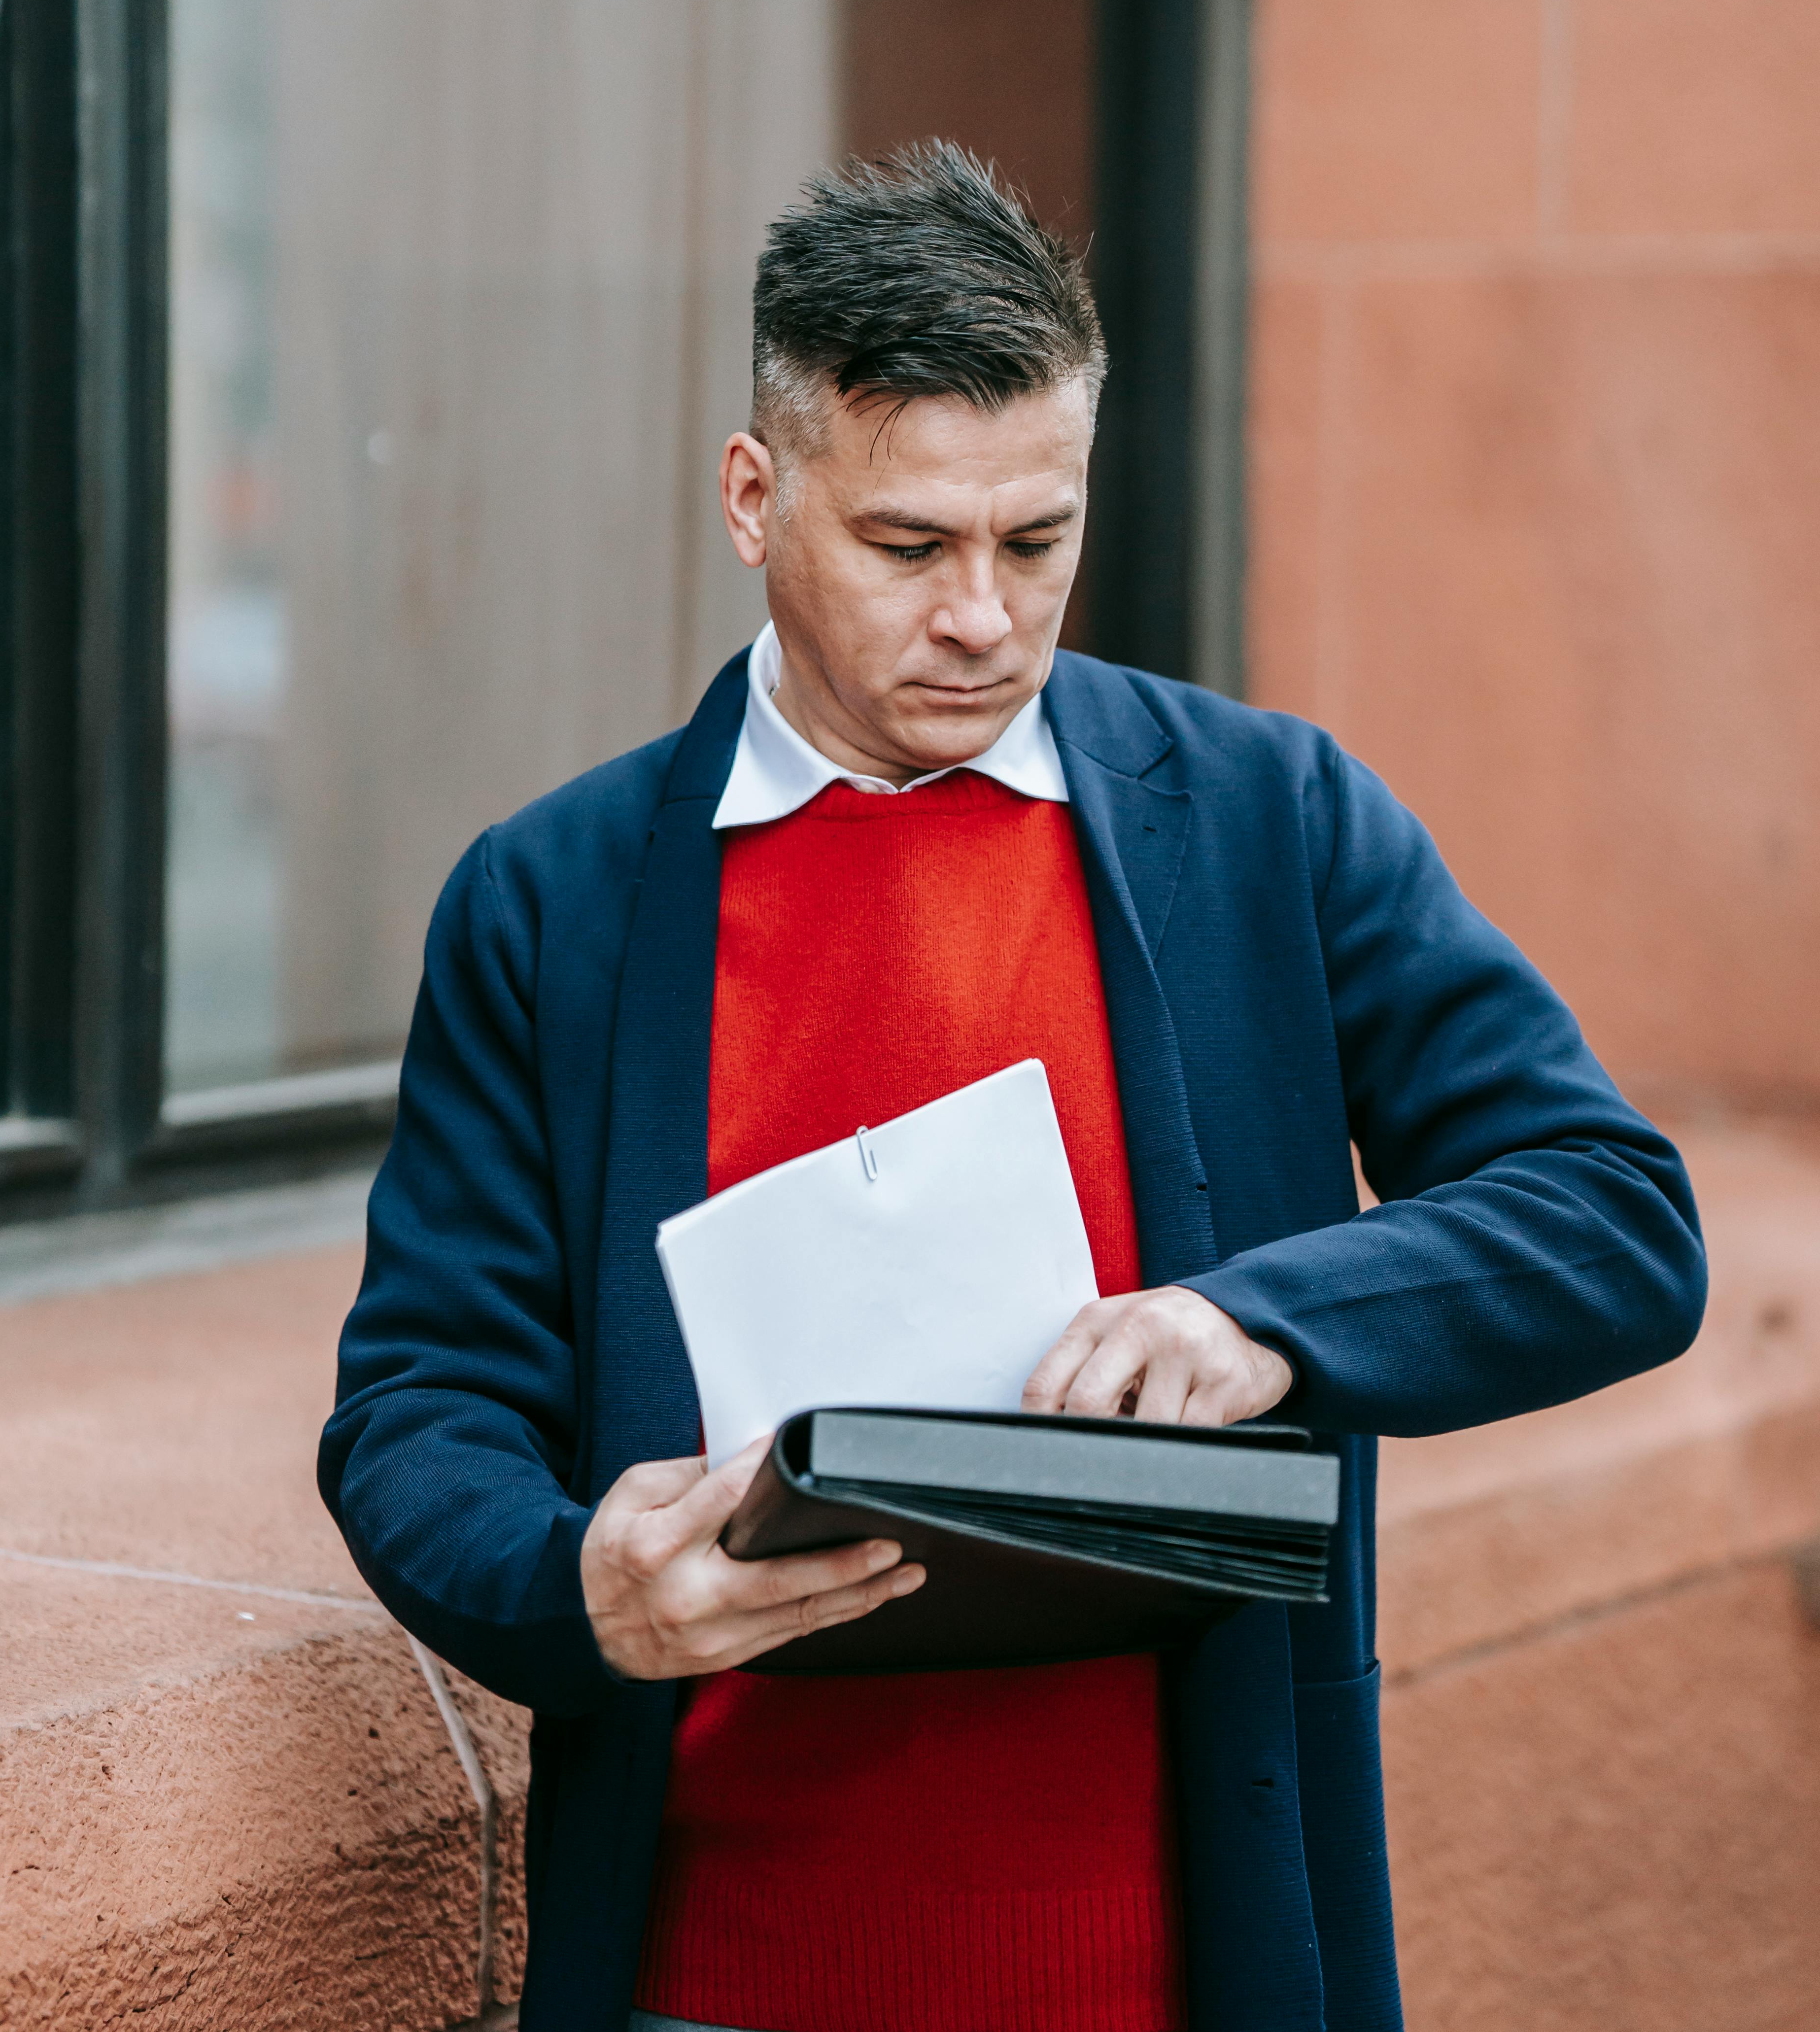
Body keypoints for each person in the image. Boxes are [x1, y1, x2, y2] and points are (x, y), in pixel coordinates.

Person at [320, 143, 1706, 2032]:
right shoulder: (551, 903)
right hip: (706, 1979)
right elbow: (420, 1401)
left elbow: (1616, 1216)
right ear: (754, 495)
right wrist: (578, 1588)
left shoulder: (1268, 823)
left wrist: (1260, 1320)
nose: (984, 614)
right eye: (910, 547)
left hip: (1191, 1973)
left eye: (1036, 540)